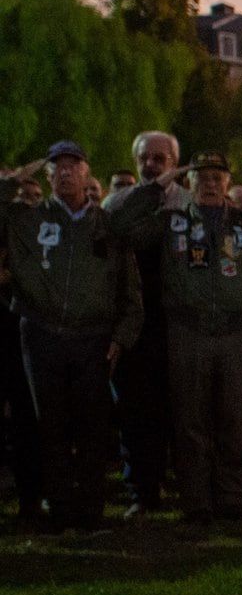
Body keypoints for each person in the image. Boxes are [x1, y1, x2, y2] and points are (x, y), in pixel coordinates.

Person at [107, 149, 242, 524]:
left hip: (238, 334)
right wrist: (157, 187)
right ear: (188, 184)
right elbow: (121, 228)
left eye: (217, 178)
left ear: (228, 183)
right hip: (188, 332)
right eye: (201, 178)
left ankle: (234, 496)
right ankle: (197, 500)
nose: (210, 184)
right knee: (191, 421)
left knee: (235, 419)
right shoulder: (172, 222)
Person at [0, 143, 143, 531]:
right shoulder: (26, 218)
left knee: (92, 426)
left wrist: (123, 336)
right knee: (51, 425)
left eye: (73, 166)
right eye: (57, 168)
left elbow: (131, 291)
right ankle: (60, 508)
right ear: (46, 178)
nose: (65, 173)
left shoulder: (107, 224)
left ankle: (91, 510)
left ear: (86, 173)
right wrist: (12, 181)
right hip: (42, 333)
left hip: (92, 337)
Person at [107, 131, 179, 516]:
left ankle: (174, 479)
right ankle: (142, 488)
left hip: (176, 324)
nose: (151, 165)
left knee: (176, 409)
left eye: (160, 158)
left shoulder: (186, 205)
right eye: (145, 158)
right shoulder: (117, 205)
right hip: (135, 324)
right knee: (135, 410)